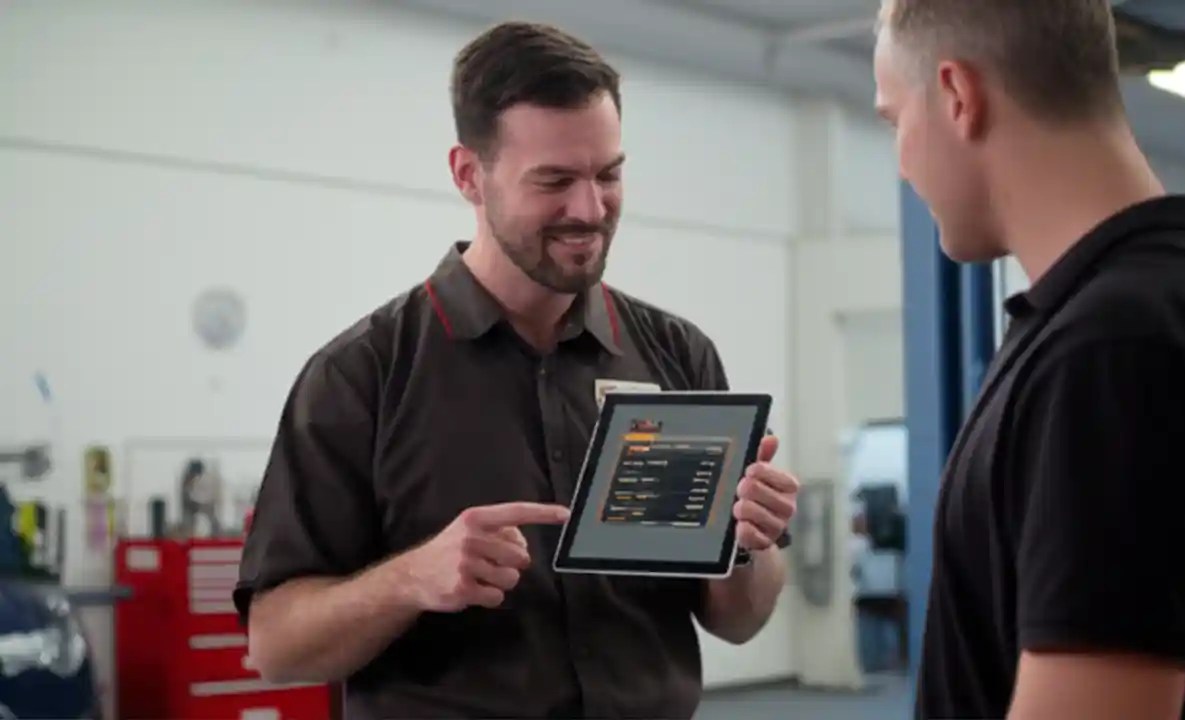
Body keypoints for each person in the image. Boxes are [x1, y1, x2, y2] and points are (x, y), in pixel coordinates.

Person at [233, 20, 798, 720]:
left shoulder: (677, 356)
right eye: (554, 181)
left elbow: (738, 620)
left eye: (608, 175)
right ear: (469, 175)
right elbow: (277, 646)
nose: (589, 210)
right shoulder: (362, 377)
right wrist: (411, 579)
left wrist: (748, 545)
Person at [873, 1, 1185, 719]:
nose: (901, 162)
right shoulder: (1123, 318)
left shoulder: (1118, 350)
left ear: (958, 96)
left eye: (894, 119)